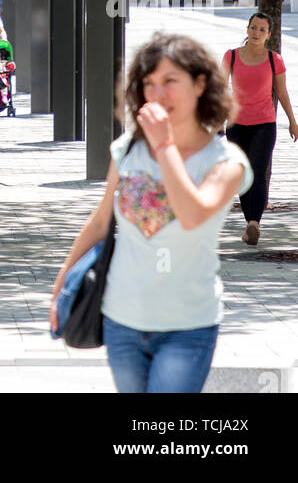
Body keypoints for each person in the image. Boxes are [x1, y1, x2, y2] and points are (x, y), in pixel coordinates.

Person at [49, 33, 252, 394]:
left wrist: (164, 144)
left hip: (188, 327)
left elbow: (193, 215)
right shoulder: (127, 149)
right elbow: (100, 220)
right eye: (148, 84)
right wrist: (62, 284)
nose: (158, 94)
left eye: (170, 81)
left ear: (200, 84)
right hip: (121, 321)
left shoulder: (225, 161)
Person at [222, 11, 298, 245]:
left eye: (262, 29)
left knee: (258, 169)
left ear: (269, 34)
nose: (256, 33)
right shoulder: (231, 57)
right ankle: (250, 223)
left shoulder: (274, 59)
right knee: (243, 173)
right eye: (253, 28)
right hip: (236, 125)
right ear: (247, 29)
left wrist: (293, 122)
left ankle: (253, 223)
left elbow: (282, 93)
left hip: (264, 124)